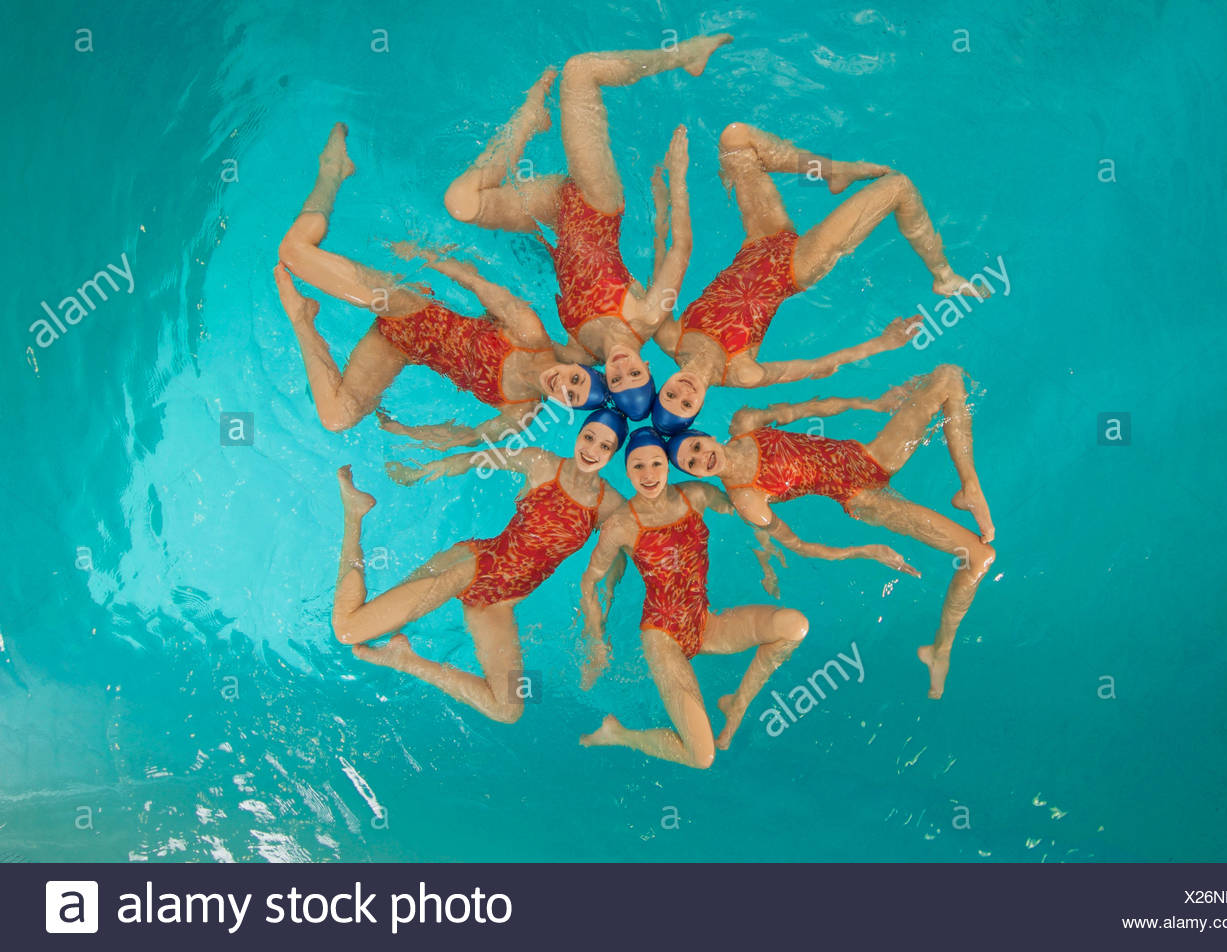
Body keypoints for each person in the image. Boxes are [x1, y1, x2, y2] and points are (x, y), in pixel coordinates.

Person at [443, 35, 731, 418]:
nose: (620, 367)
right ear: (647, 370)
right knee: (580, 72)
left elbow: (528, 361)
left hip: (557, 218)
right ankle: (684, 55)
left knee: (460, 203)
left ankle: (530, 120)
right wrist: (677, 176)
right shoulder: (647, 316)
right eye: (633, 373)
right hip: (596, 203)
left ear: (606, 383)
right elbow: (681, 249)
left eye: (616, 378)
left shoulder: (578, 352)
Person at [667, 366, 996, 699]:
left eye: (695, 447)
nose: (701, 459)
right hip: (863, 499)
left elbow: (808, 408)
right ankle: (940, 648)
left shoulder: (745, 423)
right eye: (690, 464)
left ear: (706, 436)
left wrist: (871, 403)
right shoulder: (748, 499)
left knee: (947, 376)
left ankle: (970, 486)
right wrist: (864, 550)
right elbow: (799, 545)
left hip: (869, 456)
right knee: (981, 557)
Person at [650, 120, 987, 433]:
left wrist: (665, 198)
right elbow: (815, 366)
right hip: (796, 266)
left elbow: (661, 269)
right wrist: (882, 343)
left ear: (662, 386)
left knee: (734, 138)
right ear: (700, 406)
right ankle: (943, 276)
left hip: (758, 241)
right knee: (898, 187)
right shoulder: (741, 372)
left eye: (670, 397)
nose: (682, 392)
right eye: (687, 404)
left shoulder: (668, 337)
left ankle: (834, 171)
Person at [276, 124, 604, 439]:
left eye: (571, 396)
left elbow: (467, 437)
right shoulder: (529, 331)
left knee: (337, 418)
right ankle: (332, 173)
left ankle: (302, 319)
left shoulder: (520, 414)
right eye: (575, 379)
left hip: (402, 348)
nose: (563, 386)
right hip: (415, 307)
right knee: (293, 253)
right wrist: (424, 255)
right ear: (574, 367)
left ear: (567, 406)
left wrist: (408, 433)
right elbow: (473, 281)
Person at [577, 429, 873, 768]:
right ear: (627, 472)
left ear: (668, 466)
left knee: (794, 626)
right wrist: (596, 640)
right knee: (701, 756)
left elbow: (745, 511)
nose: (648, 475)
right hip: (663, 636)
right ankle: (620, 734)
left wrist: (765, 553)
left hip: (705, 623)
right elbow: (590, 582)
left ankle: (737, 703)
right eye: (638, 467)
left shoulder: (697, 495)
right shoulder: (621, 526)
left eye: (656, 463)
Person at [335, 409, 627, 723]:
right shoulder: (541, 463)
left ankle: (404, 660)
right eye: (589, 437)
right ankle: (354, 513)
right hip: (471, 566)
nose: (591, 450)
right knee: (349, 629)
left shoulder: (609, 504)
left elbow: (616, 557)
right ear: (579, 434)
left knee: (509, 708)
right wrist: (426, 471)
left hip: (499, 602)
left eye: (605, 446)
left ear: (614, 453)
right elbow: (480, 458)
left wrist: (598, 629)